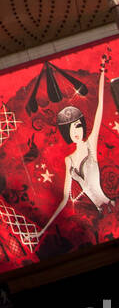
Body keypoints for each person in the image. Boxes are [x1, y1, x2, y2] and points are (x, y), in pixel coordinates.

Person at [36, 52, 114, 239]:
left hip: (111, 206)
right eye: (71, 130)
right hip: (102, 215)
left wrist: (102, 72)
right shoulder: (68, 160)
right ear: (67, 134)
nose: (76, 131)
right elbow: (64, 200)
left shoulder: (90, 146)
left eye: (77, 126)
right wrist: (42, 231)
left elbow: (99, 109)